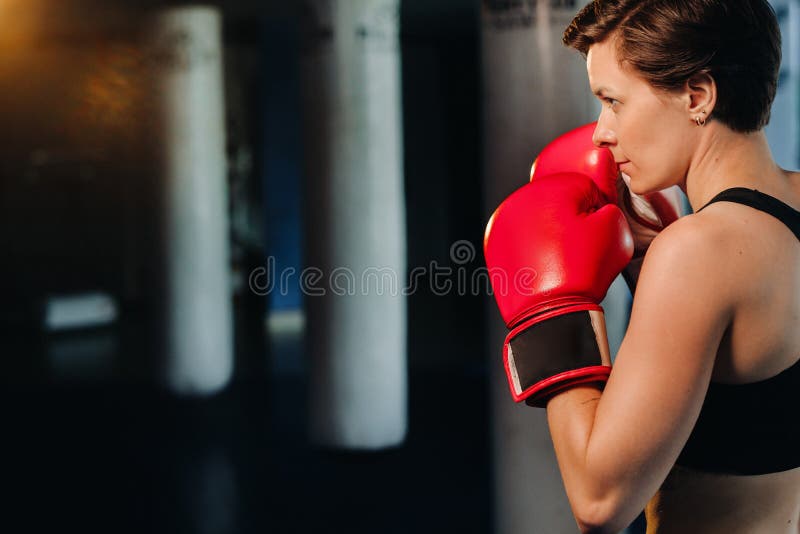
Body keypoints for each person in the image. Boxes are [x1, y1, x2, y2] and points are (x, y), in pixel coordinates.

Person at [483, 0, 800, 532]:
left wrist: (556, 312)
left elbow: (600, 502)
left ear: (696, 95)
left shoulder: (700, 252)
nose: (602, 132)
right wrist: (653, 262)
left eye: (613, 101)